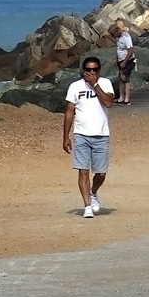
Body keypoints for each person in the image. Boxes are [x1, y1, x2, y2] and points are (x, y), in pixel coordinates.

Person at [63, 55, 115, 218]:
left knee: (101, 173)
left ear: (99, 70)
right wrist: (66, 136)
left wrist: (95, 85)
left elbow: (108, 102)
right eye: (88, 70)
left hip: (101, 134)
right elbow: (69, 112)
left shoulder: (106, 83)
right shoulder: (74, 87)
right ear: (83, 71)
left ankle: (93, 192)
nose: (91, 72)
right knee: (83, 172)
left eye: (95, 70)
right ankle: (87, 206)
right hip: (81, 135)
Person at [110, 21, 136, 105]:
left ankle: (127, 99)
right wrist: (116, 59)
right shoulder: (119, 38)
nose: (113, 37)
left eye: (113, 35)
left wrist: (124, 62)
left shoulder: (126, 37)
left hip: (128, 61)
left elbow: (131, 50)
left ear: (117, 31)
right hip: (121, 60)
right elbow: (119, 49)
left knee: (126, 78)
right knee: (121, 78)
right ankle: (121, 98)